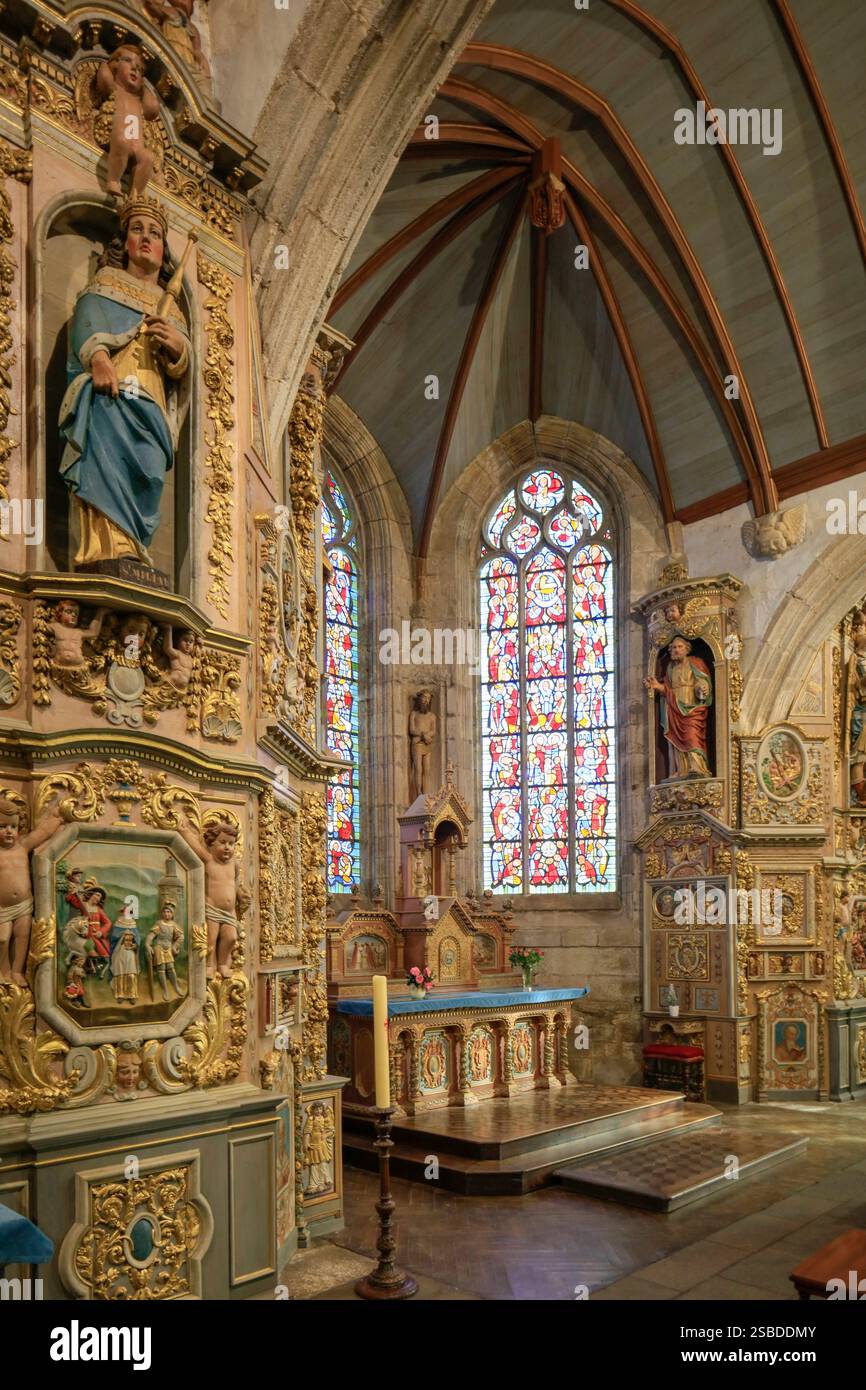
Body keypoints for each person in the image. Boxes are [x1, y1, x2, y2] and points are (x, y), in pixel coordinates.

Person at [59, 195, 191, 568]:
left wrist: (178, 348)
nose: (146, 238)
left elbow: (183, 375)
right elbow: (86, 320)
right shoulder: (106, 283)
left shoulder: (174, 309)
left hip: (149, 401)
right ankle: (106, 551)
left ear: (164, 249)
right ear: (124, 242)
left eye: (155, 233)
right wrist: (99, 358)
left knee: (149, 470)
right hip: (114, 392)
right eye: (137, 230)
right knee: (104, 463)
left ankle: (134, 546)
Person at [644, 635, 713, 779]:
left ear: (687, 649)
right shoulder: (670, 667)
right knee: (674, 739)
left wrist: (703, 687)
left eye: (679, 647)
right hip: (674, 706)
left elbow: (703, 681)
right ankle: (680, 770)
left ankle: (697, 767)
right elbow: (668, 689)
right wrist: (657, 686)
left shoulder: (696, 662)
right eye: (673, 648)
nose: (676, 650)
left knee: (692, 735)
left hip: (691, 706)